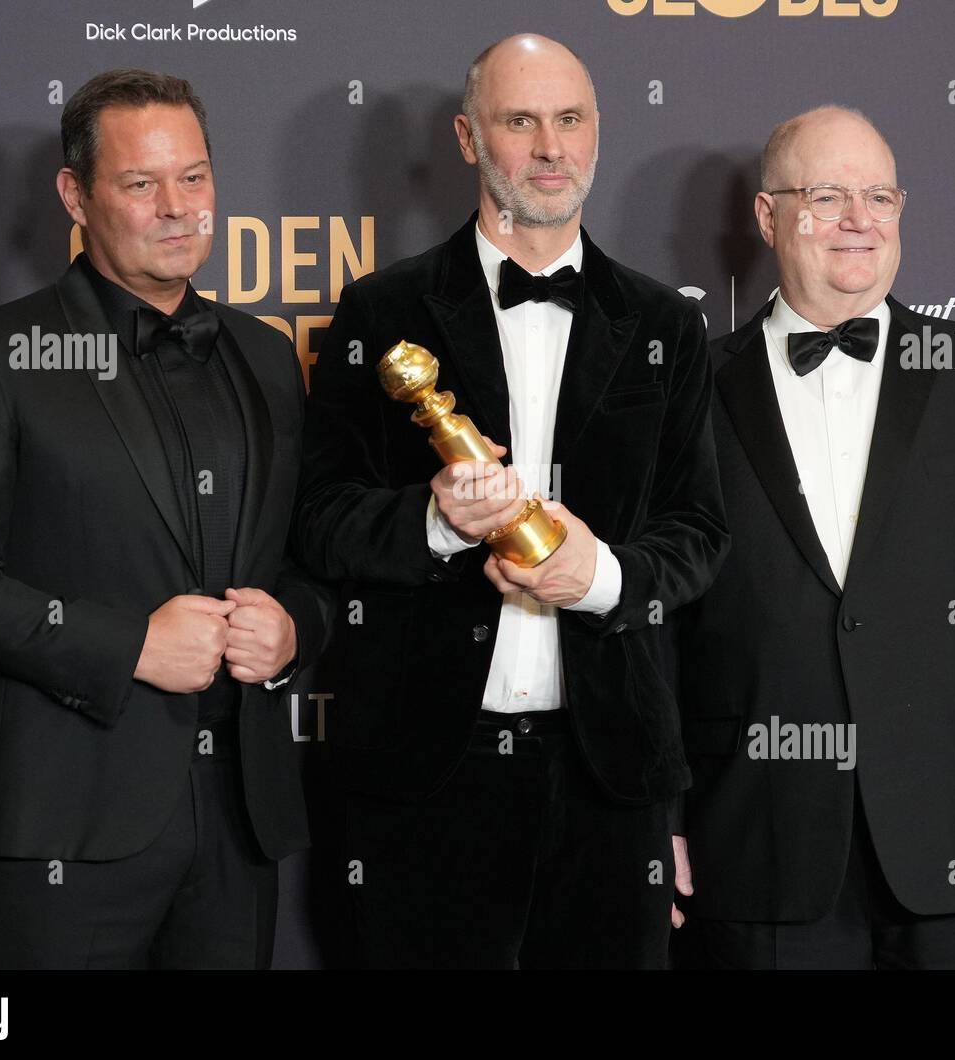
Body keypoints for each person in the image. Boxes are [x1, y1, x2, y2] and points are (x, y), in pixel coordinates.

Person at [293, 33, 727, 969]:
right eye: (519, 120)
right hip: (423, 780)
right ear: (466, 137)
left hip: (611, 777)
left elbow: (699, 532)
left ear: (597, 132)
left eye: (569, 119)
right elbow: (319, 518)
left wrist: (604, 575)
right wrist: (435, 521)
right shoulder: (380, 312)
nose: (549, 146)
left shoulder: (664, 324)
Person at [0, 68, 330, 969]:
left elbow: (303, 555)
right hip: (63, 821)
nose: (179, 208)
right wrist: (128, 646)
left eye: (195, 177)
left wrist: (295, 628)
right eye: (141, 184)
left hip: (238, 825)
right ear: (76, 195)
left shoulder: (263, 354)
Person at [673, 105, 955, 969]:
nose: (860, 219)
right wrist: (661, 819)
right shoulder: (689, 389)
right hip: (756, 836)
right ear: (768, 218)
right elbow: (655, 618)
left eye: (880, 195)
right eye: (828, 195)